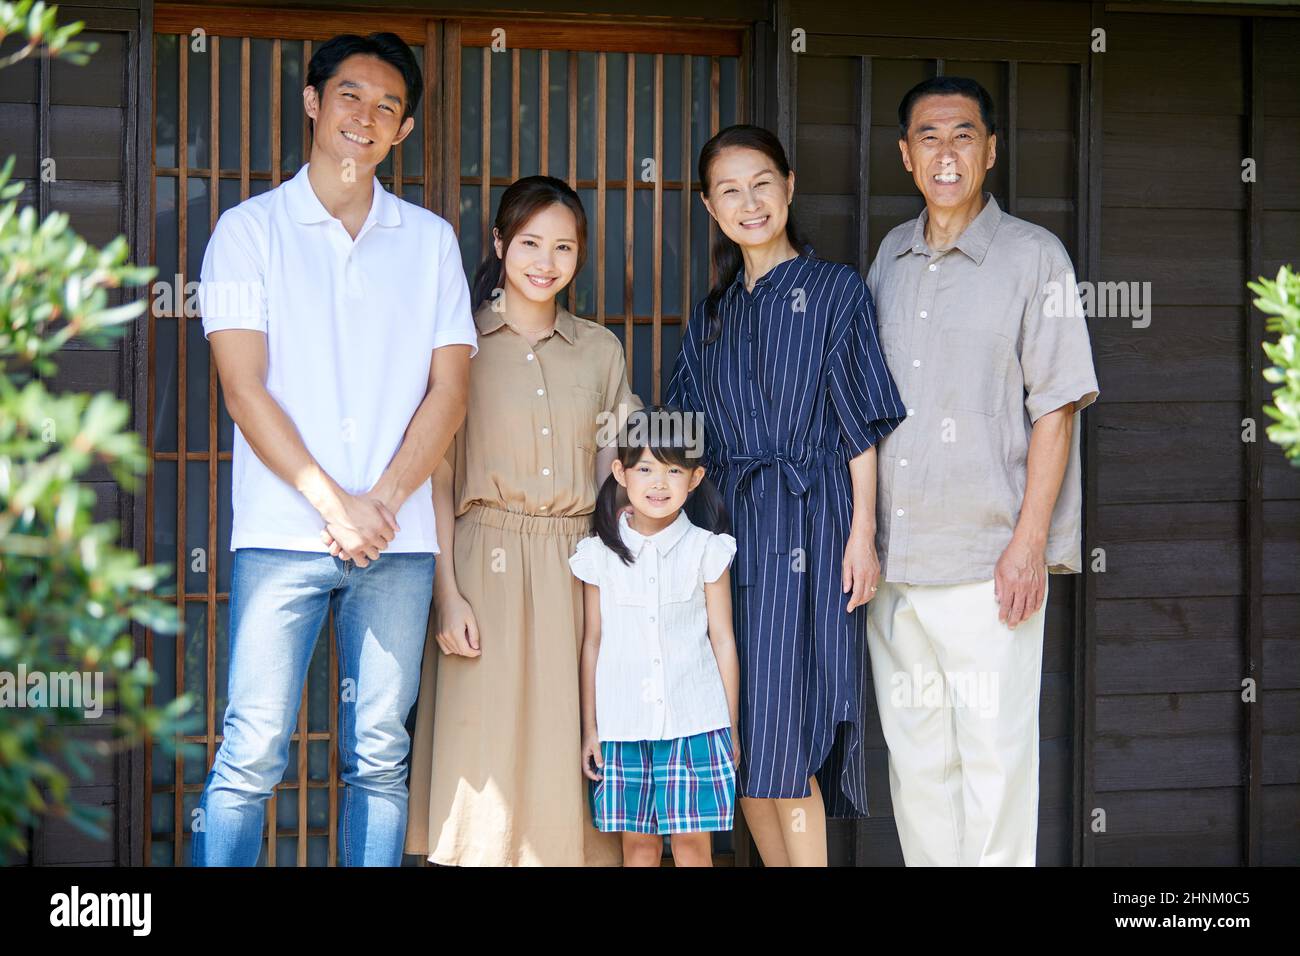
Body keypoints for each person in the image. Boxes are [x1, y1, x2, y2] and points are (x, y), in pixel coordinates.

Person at [193, 32, 476, 866]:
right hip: (283, 534)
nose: (367, 116)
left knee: (380, 762)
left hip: (399, 542)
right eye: (350, 95)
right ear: (313, 101)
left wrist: (380, 505)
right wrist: (333, 504)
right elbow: (244, 389)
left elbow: (450, 393)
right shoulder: (248, 231)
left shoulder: (428, 242)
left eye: (388, 106)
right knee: (250, 753)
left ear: (405, 129)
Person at [865, 76, 1099, 866]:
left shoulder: (1038, 258)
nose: (946, 152)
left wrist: (1030, 543)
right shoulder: (888, 259)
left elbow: (1058, 406)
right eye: (928, 136)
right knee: (919, 766)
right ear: (905, 155)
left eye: (964, 134)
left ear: (991, 150)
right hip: (898, 565)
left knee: (995, 767)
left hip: (989, 564)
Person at [666, 124, 906, 866]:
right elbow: (679, 436)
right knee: (738, 725)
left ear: (789, 186)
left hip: (812, 521)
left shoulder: (835, 290)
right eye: (729, 190)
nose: (749, 202)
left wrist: (862, 532)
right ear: (710, 207)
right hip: (729, 532)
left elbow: (857, 422)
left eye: (762, 183)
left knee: (789, 728)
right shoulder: (712, 316)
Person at [402, 176, 639, 866]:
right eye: (530, 241)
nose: (546, 260)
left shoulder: (600, 350)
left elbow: (612, 471)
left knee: (569, 745)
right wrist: (447, 594)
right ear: (501, 243)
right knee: (486, 749)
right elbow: (438, 478)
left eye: (563, 246)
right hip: (484, 561)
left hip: (577, 562)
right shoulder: (459, 345)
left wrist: (620, 579)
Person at [569, 406, 741, 867]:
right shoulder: (599, 556)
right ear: (620, 473)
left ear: (696, 477)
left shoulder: (707, 549)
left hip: (696, 723)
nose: (659, 483)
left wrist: (730, 726)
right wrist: (591, 728)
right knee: (639, 848)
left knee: (691, 846)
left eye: (673, 470)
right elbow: (593, 642)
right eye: (645, 468)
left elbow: (723, 641)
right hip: (623, 725)